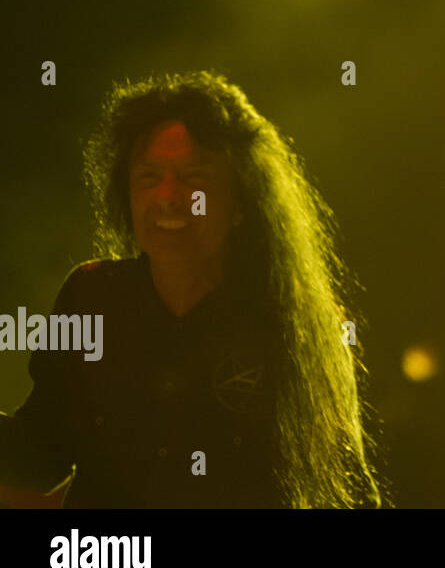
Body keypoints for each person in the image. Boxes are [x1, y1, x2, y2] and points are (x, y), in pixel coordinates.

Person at [0, 71, 385, 508]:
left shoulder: (291, 318)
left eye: (191, 176)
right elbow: (39, 458)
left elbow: (347, 485)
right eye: (148, 177)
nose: (167, 195)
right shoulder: (90, 296)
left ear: (242, 201)